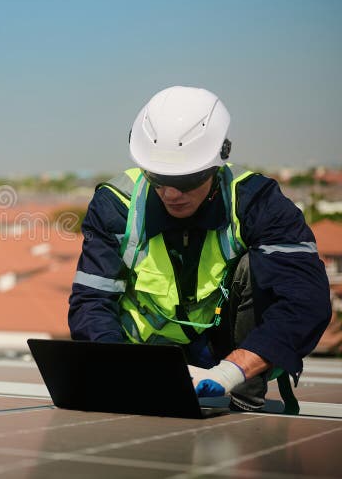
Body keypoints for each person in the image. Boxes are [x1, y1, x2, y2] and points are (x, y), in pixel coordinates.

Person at [68, 86, 331, 412]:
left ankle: (244, 400)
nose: (171, 194)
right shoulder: (116, 205)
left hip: (229, 360)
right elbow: (92, 303)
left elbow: (305, 301)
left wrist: (230, 372)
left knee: (255, 267)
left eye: (186, 180)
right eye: (158, 178)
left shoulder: (257, 203)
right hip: (146, 361)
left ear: (216, 164)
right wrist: (123, 373)